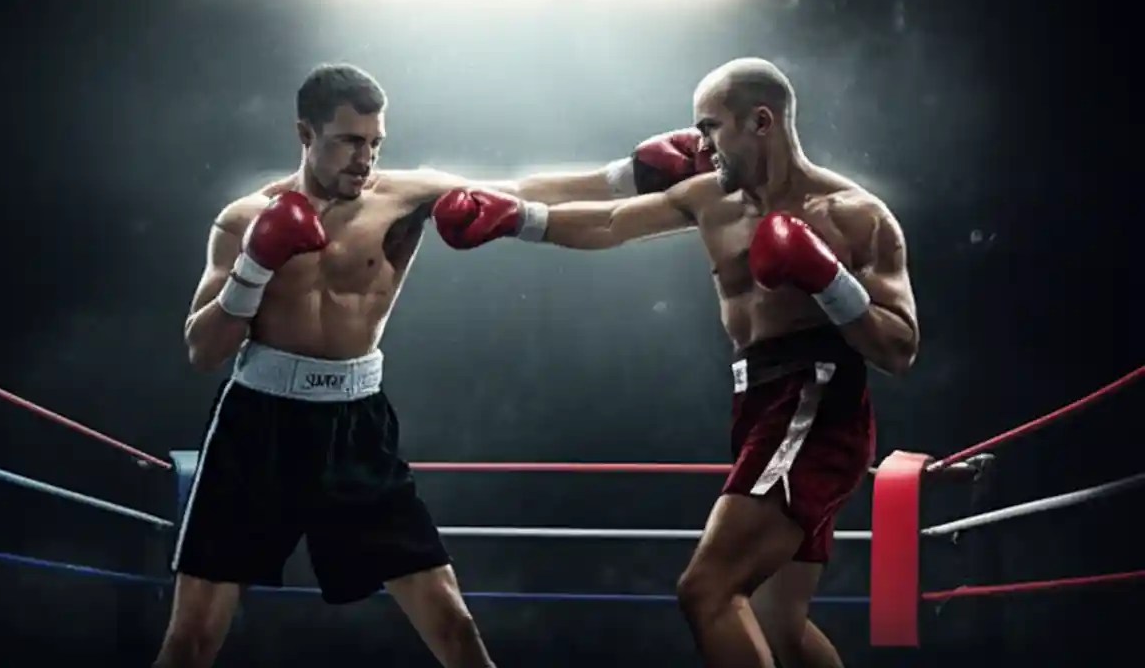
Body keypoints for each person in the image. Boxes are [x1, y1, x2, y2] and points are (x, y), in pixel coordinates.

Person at [157, 62, 715, 668]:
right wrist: (254, 266)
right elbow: (202, 349)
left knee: (454, 627)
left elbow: (523, 190)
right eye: (348, 141)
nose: (364, 159)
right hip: (257, 429)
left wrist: (632, 175)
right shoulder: (244, 220)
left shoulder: (403, 197)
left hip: (355, 431)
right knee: (192, 641)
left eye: (374, 143)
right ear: (304, 134)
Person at [431, 57, 920, 668]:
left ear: (760, 122)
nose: (699, 144)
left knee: (707, 590)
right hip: (759, 405)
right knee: (780, 628)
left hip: (814, 407)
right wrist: (514, 220)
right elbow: (609, 222)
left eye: (711, 127)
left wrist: (828, 279)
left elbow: (899, 347)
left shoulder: (854, 214)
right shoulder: (711, 197)